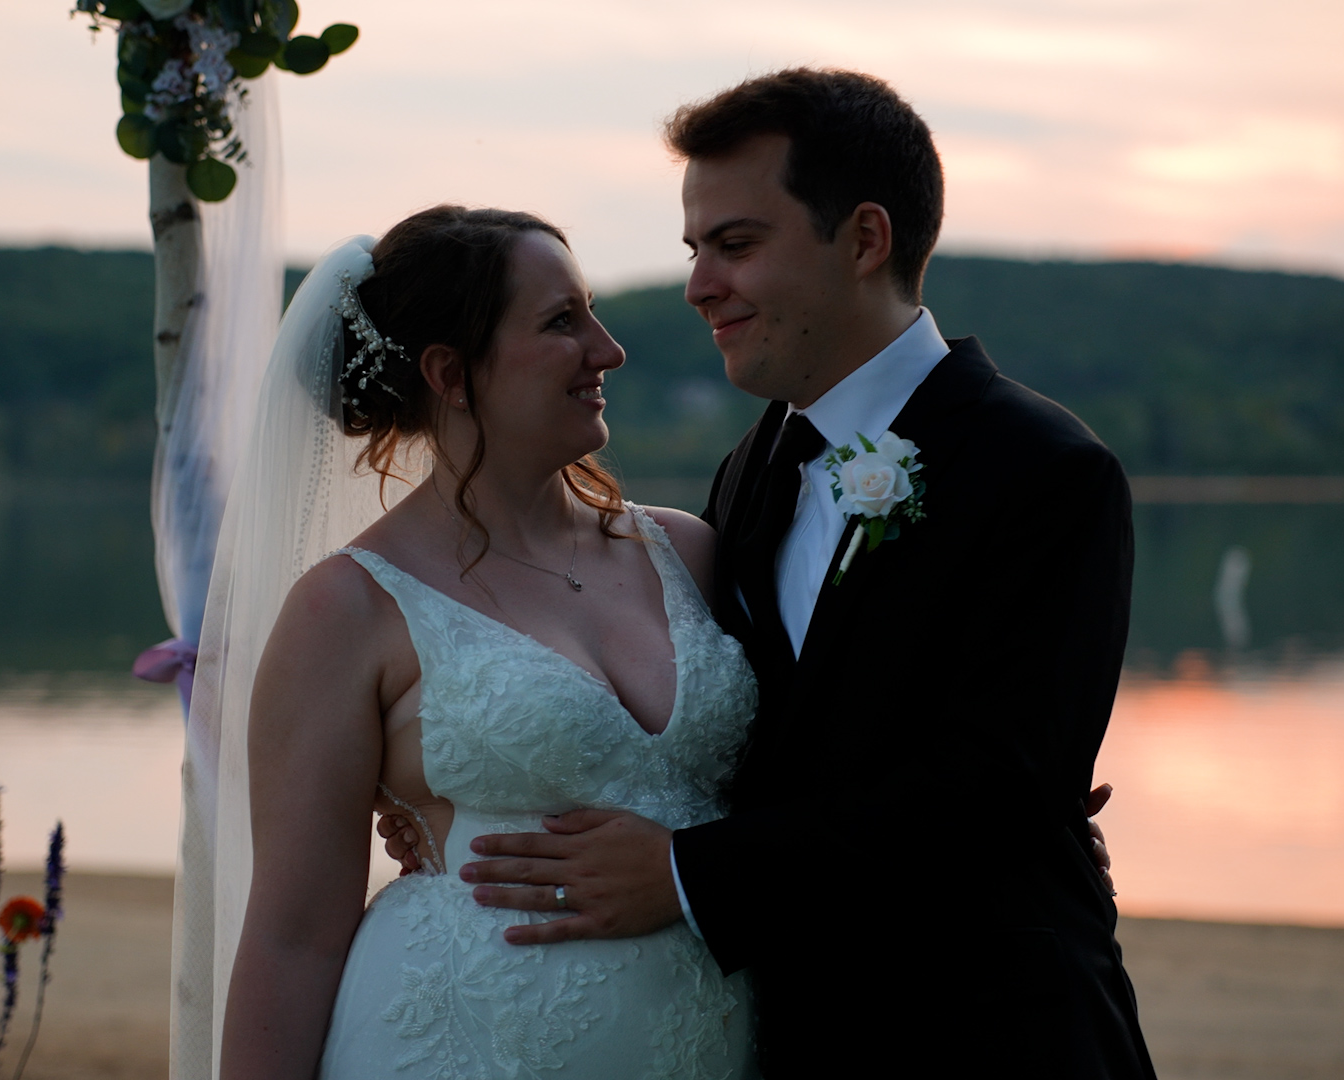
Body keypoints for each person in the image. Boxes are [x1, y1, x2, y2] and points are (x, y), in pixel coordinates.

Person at [444, 69, 1160, 1077]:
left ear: (865, 240)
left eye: (735, 245)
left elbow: (998, 788)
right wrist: (465, 805)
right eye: (695, 250)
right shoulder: (754, 467)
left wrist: (689, 877)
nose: (699, 284)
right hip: (789, 1034)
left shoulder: (1044, 471)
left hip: (988, 1031)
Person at [195, 206, 763, 1080]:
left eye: (592, 313)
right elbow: (292, 938)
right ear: (449, 373)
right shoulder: (348, 608)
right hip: (453, 1046)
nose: (607, 350)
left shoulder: (689, 551)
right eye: (561, 323)